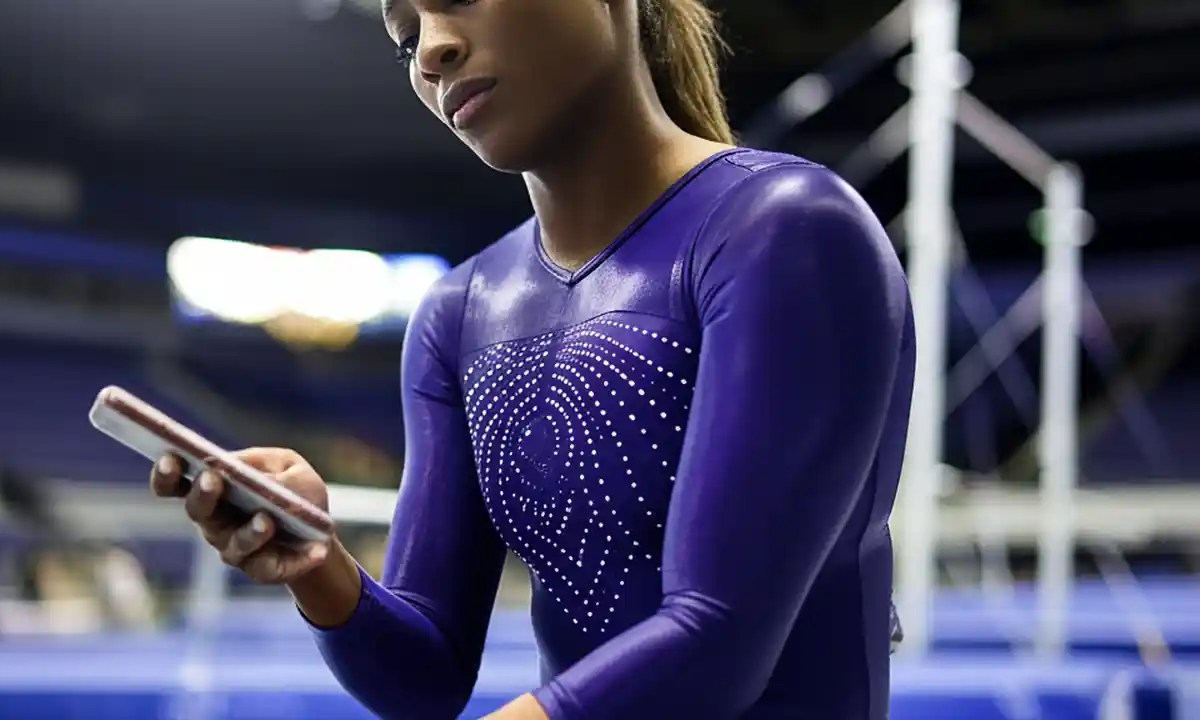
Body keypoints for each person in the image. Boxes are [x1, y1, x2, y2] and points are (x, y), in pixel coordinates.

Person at [150, 0, 916, 717]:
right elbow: (426, 675)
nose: (433, 51)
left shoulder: (786, 230)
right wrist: (319, 567)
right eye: (406, 38)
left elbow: (719, 639)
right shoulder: (458, 314)